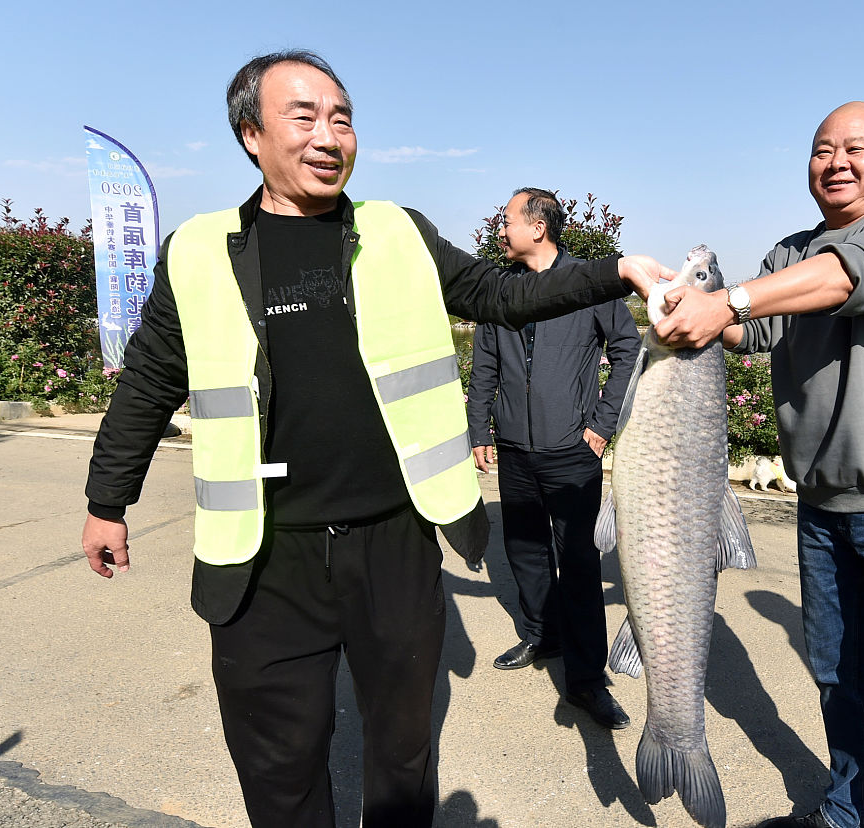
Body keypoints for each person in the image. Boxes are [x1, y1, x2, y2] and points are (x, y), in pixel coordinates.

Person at [80, 50, 664, 828]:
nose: (330, 135)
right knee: (277, 762)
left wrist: (615, 272)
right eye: (305, 116)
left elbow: (503, 294)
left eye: (343, 117)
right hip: (262, 556)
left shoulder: (397, 232)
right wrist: (106, 500)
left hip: (394, 542)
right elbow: (149, 383)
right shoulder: (198, 249)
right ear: (251, 134)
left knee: (400, 755)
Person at [655, 102, 864, 828]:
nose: (836, 161)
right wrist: (689, 305)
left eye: (855, 148)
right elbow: (749, 328)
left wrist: (729, 298)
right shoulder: (787, 252)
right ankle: (849, 813)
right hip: (823, 510)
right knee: (841, 682)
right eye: (822, 148)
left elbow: (845, 279)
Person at [466, 188, 641, 729]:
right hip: (516, 450)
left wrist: (601, 426)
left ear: (538, 227)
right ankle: (543, 638)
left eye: (509, 220)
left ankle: (587, 681)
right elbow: (485, 366)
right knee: (524, 552)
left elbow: (629, 349)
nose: (501, 230)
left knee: (581, 568)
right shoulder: (502, 292)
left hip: (572, 452)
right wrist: (480, 428)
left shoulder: (589, 286)